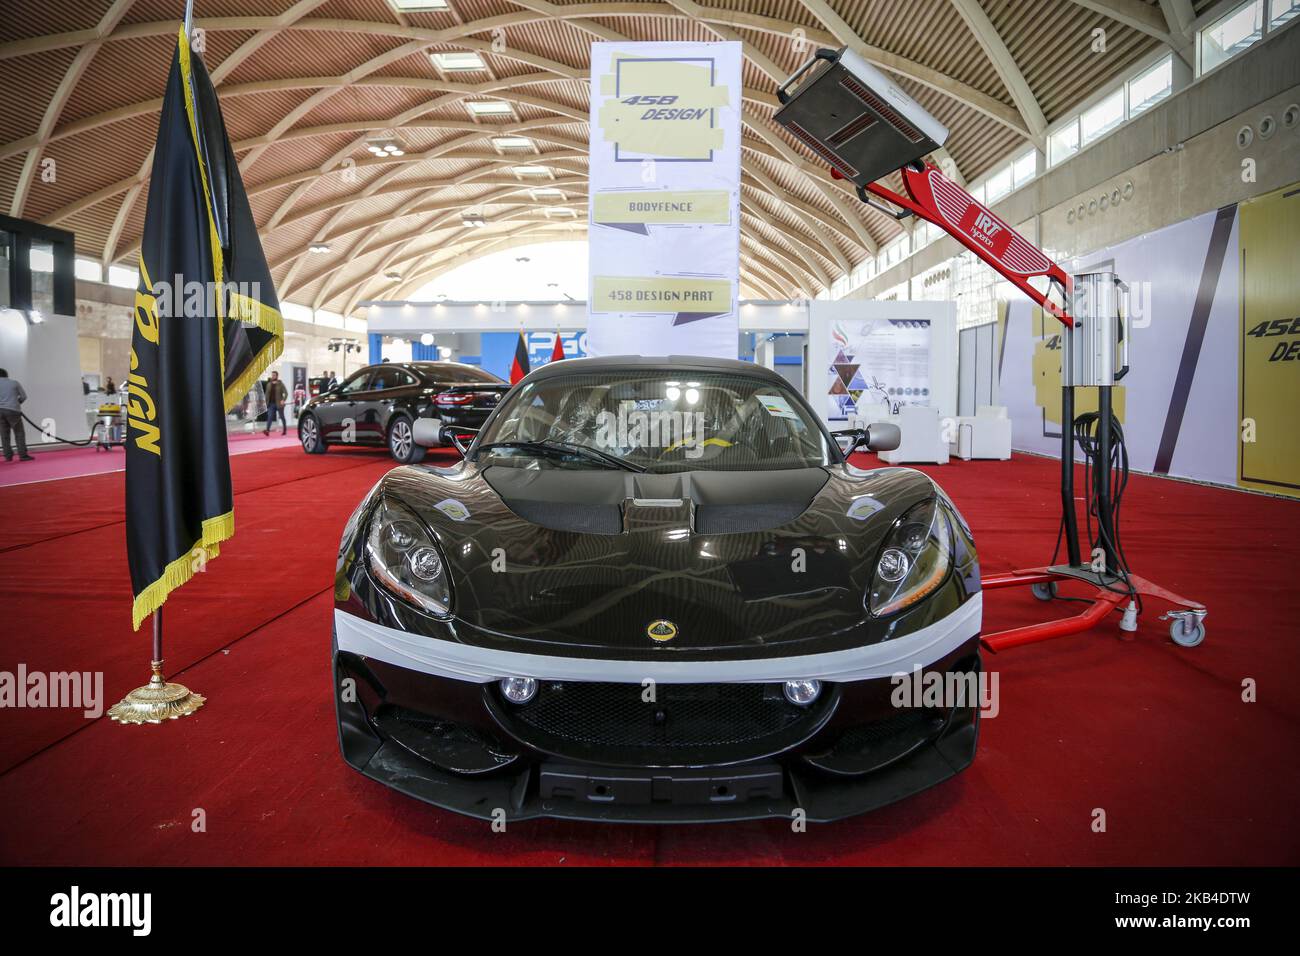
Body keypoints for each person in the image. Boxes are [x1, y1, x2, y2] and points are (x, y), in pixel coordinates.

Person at [0, 368, 34, 462]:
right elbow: (23, 396)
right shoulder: (14, 383)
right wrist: (17, 402)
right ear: (6, 374)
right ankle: (23, 455)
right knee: (19, 433)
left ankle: (8, 456)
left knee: (4, 434)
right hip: (13, 411)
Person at [264, 370, 288, 436]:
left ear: (277, 376)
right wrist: (266, 403)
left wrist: (283, 400)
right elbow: (266, 394)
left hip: (279, 404)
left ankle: (285, 430)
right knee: (270, 417)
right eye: (272, 375)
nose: (273, 376)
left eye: (274, 375)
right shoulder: (269, 384)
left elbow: (286, 393)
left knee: (282, 417)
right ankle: (267, 431)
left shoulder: (280, 384)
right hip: (271, 404)